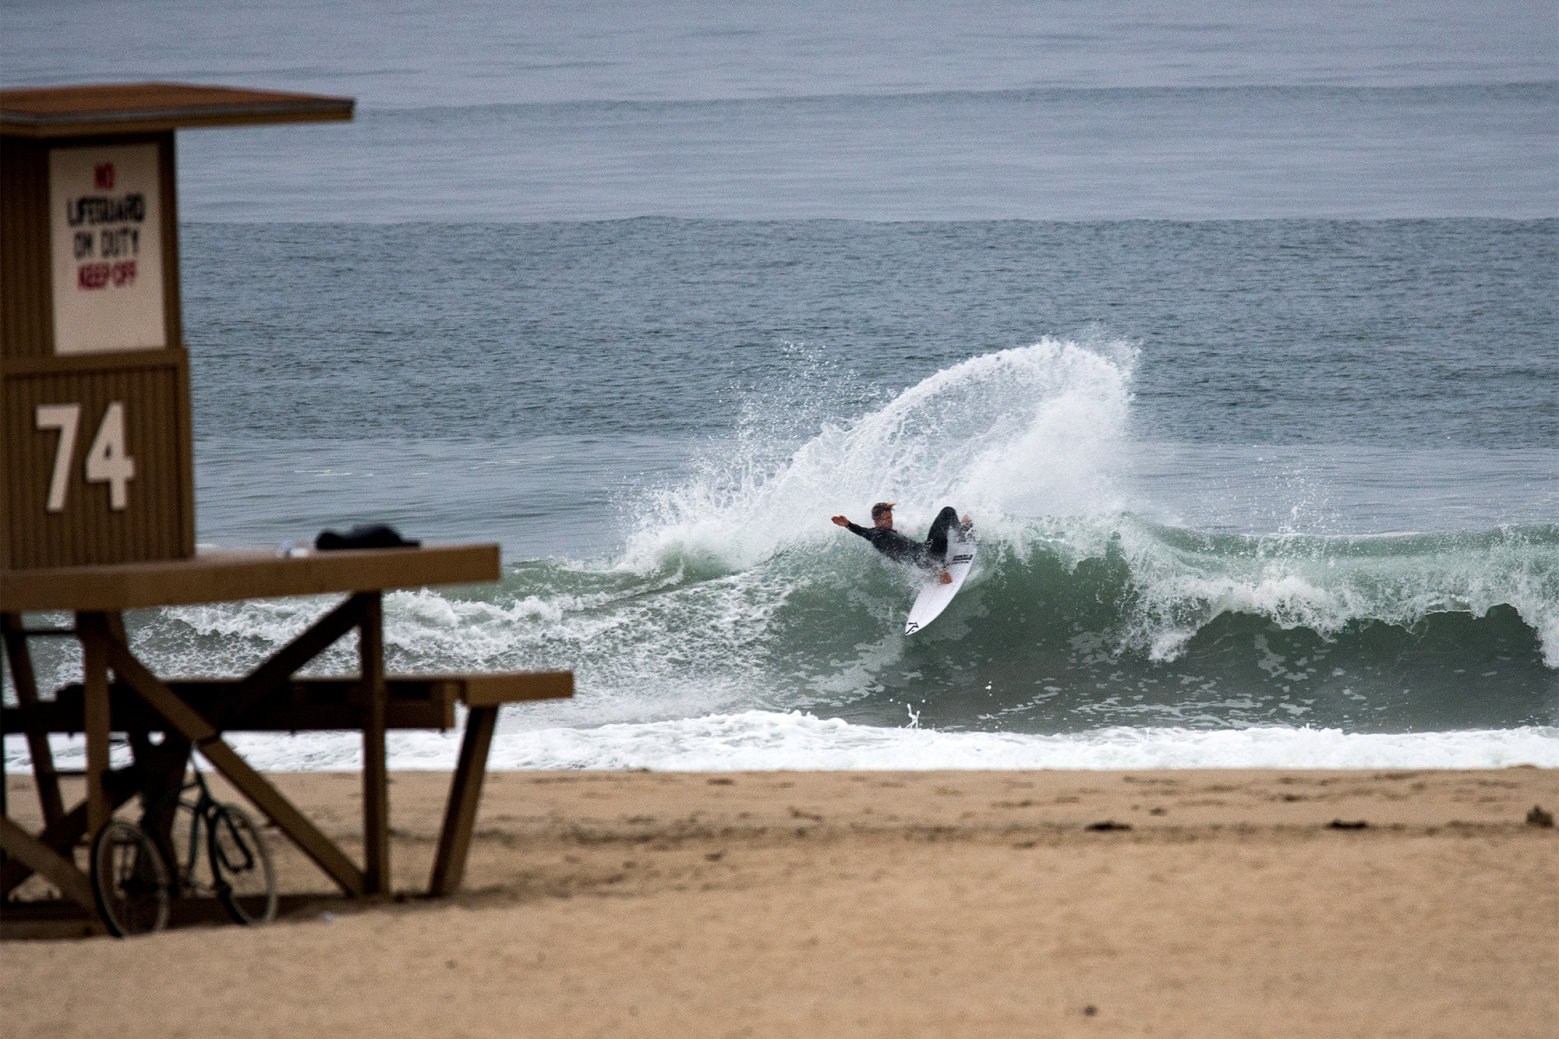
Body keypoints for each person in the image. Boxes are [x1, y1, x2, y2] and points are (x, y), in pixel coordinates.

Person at [831, 502, 971, 583]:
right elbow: (862, 531)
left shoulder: (880, 533)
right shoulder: (876, 535)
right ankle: (961, 534)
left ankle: (939, 565)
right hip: (930, 557)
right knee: (947, 511)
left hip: (927, 553)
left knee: (945, 517)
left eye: (890, 517)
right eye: (885, 518)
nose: (889, 521)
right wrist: (848, 524)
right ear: (876, 520)